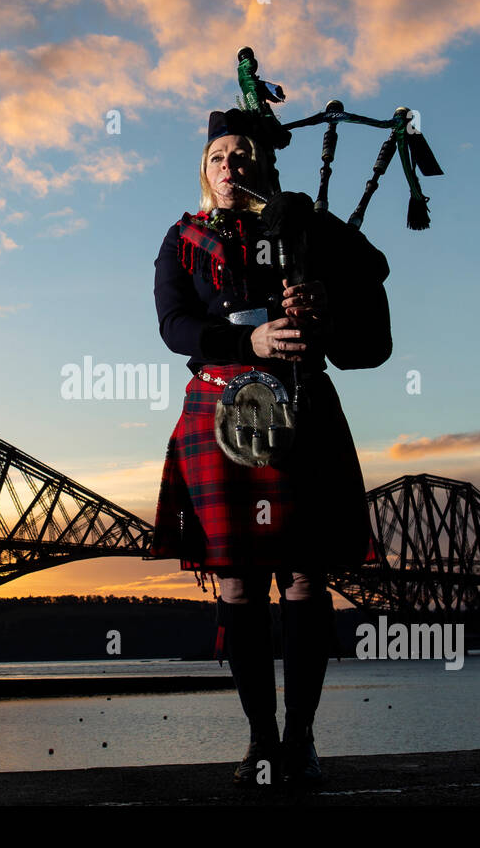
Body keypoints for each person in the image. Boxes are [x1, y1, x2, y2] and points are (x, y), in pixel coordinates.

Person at [150, 108, 392, 787]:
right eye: (219, 156)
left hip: (302, 408)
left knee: (306, 577)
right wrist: (248, 342)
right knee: (237, 582)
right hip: (218, 413)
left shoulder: (311, 233)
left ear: (267, 164)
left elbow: (371, 346)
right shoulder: (182, 240)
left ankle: (303, 740)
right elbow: (174, 327)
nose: (232, 166)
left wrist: (324, 314)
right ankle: (259, 740)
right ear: (206, 169)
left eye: (244, 154)